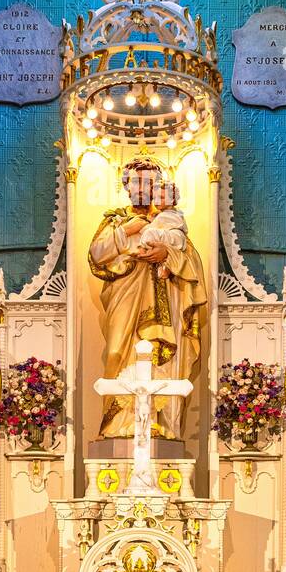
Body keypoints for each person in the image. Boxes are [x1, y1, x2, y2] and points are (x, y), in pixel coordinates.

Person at [88, 158, 208, 439]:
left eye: (150, 183)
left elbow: (192, 264)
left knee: (160, 360)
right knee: (118, 353)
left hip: (163, 299)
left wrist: (167, 255)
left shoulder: (169, 220)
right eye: (137, 182)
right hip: (125, 295)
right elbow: (96, 254)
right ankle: (116, 428)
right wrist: (126, 231)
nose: (143, 188)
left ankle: (161, 425)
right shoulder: (115, 219)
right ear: (126, 185)